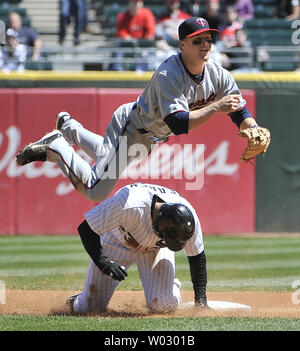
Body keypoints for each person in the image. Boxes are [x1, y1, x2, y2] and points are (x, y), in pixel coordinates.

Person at [16, 17, 267, 204]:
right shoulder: (169, 73)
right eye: (197, 40)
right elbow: (179, 123)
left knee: (110, 156)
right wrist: (215, 108)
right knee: (96, 189)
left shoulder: (218, 75)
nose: (205, 44)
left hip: (150, 137)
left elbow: (239, 111)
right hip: (132, 127)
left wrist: (252, 128)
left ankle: (70, 128)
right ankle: (57, 145)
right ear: (182, 44)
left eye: (208, 39)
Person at [65, 182, 208, 314]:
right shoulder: (128, 204)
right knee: (89, 308)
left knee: (163, 306)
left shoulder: (187, 221)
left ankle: (171, 288)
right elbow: (86, 228)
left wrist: (200, 300)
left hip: (153, 250)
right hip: (116, 241)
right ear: (159, 224)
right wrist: (104, 262)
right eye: (166, 238)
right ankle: (80, 299)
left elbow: (197, 258)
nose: (166, 241)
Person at [111, 0, 156, 71]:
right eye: (133, 2)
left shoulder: (146, 13)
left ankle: (149, 71)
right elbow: (120, 32)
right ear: (129, 4)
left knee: (149, 52)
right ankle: (118, 72)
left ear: (141, 4)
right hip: (127, 44)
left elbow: (150, 32)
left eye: (137, 2)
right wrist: (129, 39)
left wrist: (144, 41)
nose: (135, 5)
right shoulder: (123, 15)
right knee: (118, 47)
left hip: (143, 45)